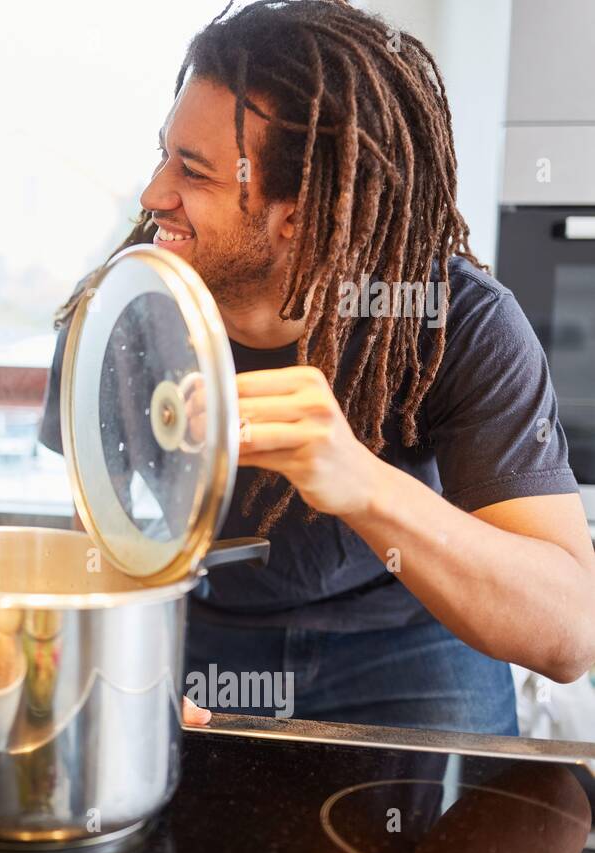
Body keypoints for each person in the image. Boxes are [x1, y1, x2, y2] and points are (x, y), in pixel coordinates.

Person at [40, 0, 595, 734]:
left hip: (411, 642)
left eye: (193, 172)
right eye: (164, 153)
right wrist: (121, 658)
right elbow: (101, 538)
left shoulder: (453, 320)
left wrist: (361, 483)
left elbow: (570, 635)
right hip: (200, 636)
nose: (152, 194)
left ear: (300, 214)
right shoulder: (123, 309)